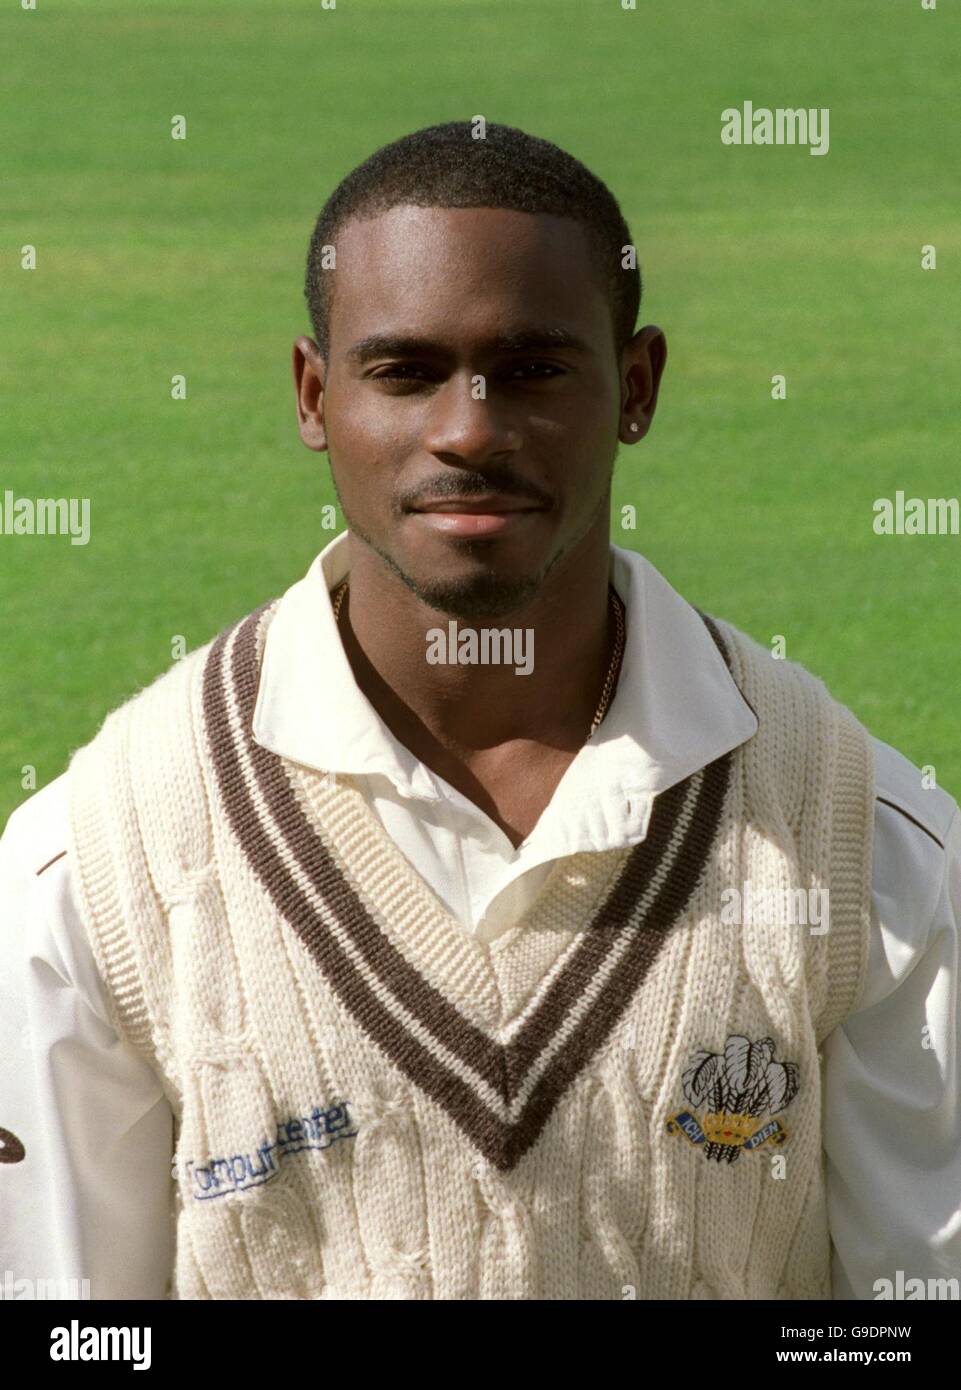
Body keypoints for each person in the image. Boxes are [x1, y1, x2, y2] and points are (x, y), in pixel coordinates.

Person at [1, 121, 959, 1301]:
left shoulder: (861, 838)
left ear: (637, 386)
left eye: (534, 369)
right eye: (403, 372)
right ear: (314, 396)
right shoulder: (96, 861)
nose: (468, 430)